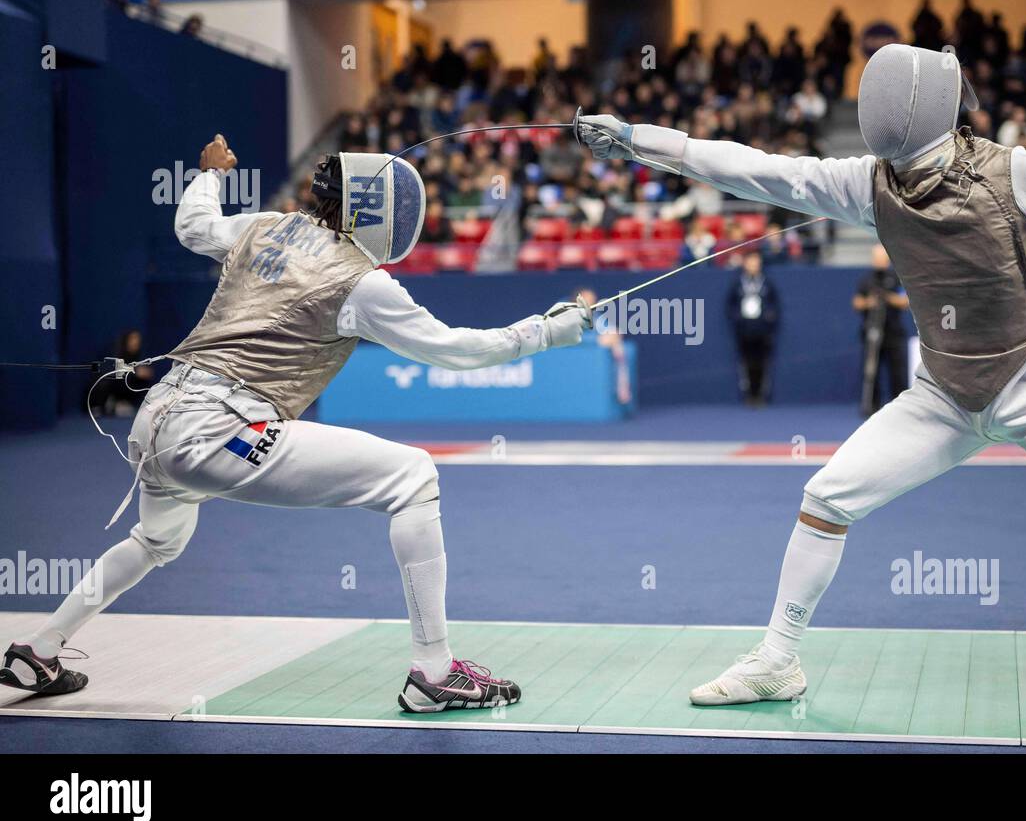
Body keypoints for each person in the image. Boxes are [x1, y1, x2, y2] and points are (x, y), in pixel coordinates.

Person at [577, 43, 1026, 712]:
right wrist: (638, 138)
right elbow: (744, 165)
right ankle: (777, 660)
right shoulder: (866, 182)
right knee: (826, 497)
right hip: (943, 393)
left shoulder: (1017, 170)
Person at [1, 135, 590, 711]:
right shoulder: (361, 281)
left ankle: (39, 650)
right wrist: (545, 330)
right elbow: (456, 350)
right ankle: (433, 671)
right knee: (413, 477)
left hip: (155, 419)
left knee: (157, 540)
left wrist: (210, 173)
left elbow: (194, 226)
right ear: (375, 210)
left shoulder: (262, 226)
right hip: (221, 428)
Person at [853, 245, 909, 416]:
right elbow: (857, 303)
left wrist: (888, 297)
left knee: (897, 373)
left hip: (893, 333)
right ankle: (872, 407)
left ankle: (900, 410)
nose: (878, 262)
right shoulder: (866, 279)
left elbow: (905, 302)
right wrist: (870, 302)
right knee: (871, 371)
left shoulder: (896, 277)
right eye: (876, 258)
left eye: (881, 258)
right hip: (872, 333)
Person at [727, 251, 780, 406]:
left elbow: (775, 304)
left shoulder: (766, 283)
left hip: (762, 329)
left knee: (762, 363)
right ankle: (748, 394)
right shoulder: (738, 283)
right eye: (750, 262)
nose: (753, 265)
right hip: (744, 329)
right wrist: (737, 318)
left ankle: (761, 395)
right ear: (745, 264)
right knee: (746, 362)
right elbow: (730, 304)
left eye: (756, 262)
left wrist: (769, 317)